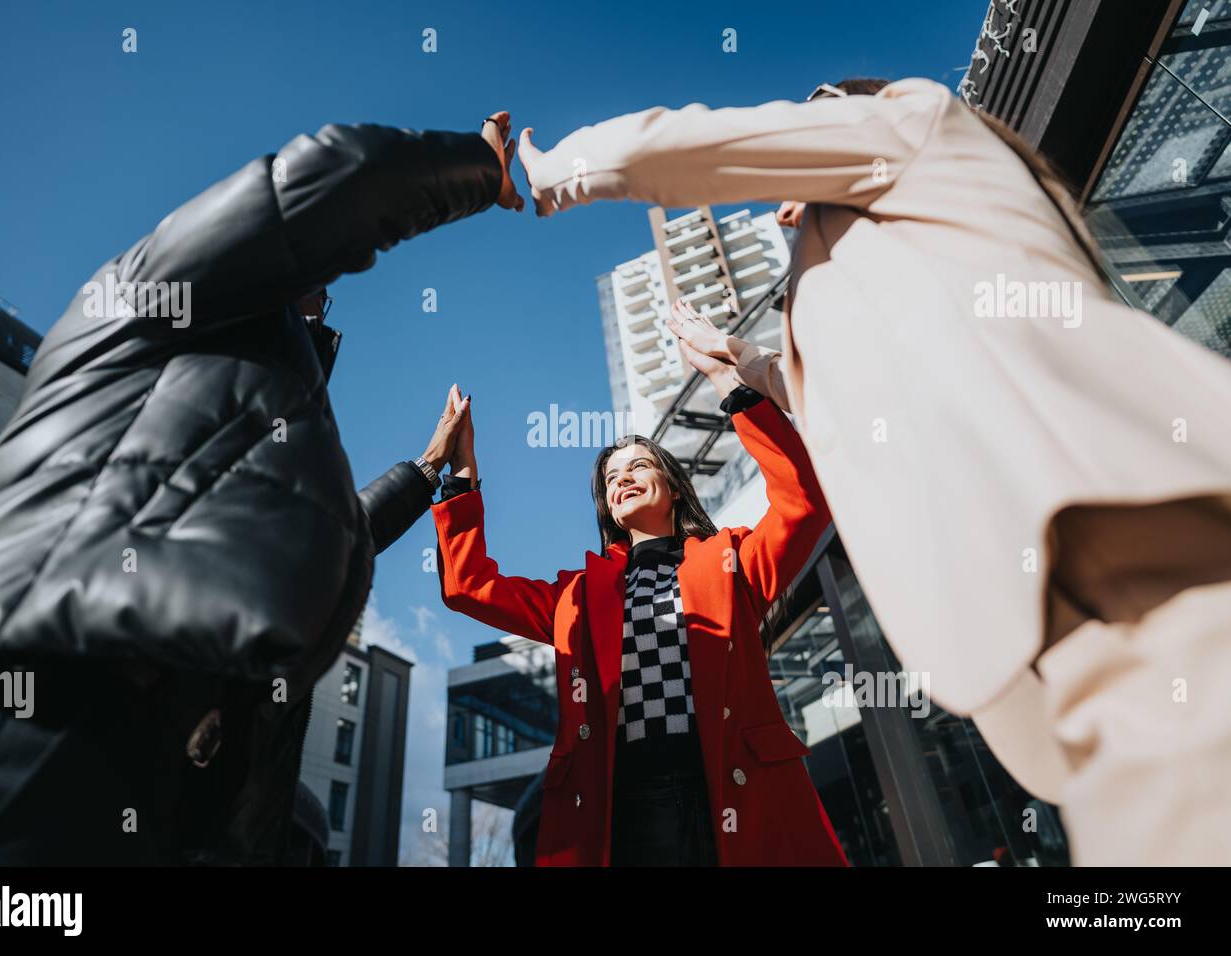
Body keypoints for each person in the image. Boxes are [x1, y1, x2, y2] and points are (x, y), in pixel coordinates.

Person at [516, 79, 1231, 865]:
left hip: (1124, 536)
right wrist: (742, 366)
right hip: (1051, 627)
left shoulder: (914, 120)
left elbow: (704, 147)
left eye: (817, 115)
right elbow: (858, 403)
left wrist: (560, 169)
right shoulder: (887, 254)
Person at [0, 111, 521, 865]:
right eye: (314, 288)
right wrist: (479, 167)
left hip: (182, 789)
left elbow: (325, 541)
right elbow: (327, 183)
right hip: (45, 714)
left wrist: (429, 466)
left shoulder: (263, 425)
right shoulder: (145, 297)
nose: (325, 293)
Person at [429, 353, 847, 866]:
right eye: (611, 478)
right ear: (607, 506)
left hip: (731, 796)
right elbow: (469, 586)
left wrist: (730, 386)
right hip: (622, 811)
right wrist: (462, 472)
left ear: (673, 488)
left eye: (638, 466)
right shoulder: (576, 597)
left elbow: (804, 502)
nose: (622, 478)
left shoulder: (732, 561)